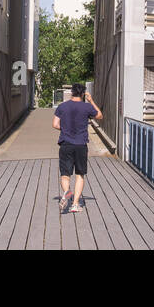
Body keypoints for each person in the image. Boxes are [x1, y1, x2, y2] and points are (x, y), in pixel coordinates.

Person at [52, 84, 102, 213]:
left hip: (66, 144)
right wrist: (91, 100)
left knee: (65, 174)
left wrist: (66, 129)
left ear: (71, 93)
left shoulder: (62, 106)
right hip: (80, 145)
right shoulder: (87, 107)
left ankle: (67, 192)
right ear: (83, 94)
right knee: (80, 174)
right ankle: (75, 204)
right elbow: (99, 116)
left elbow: (55, 124)